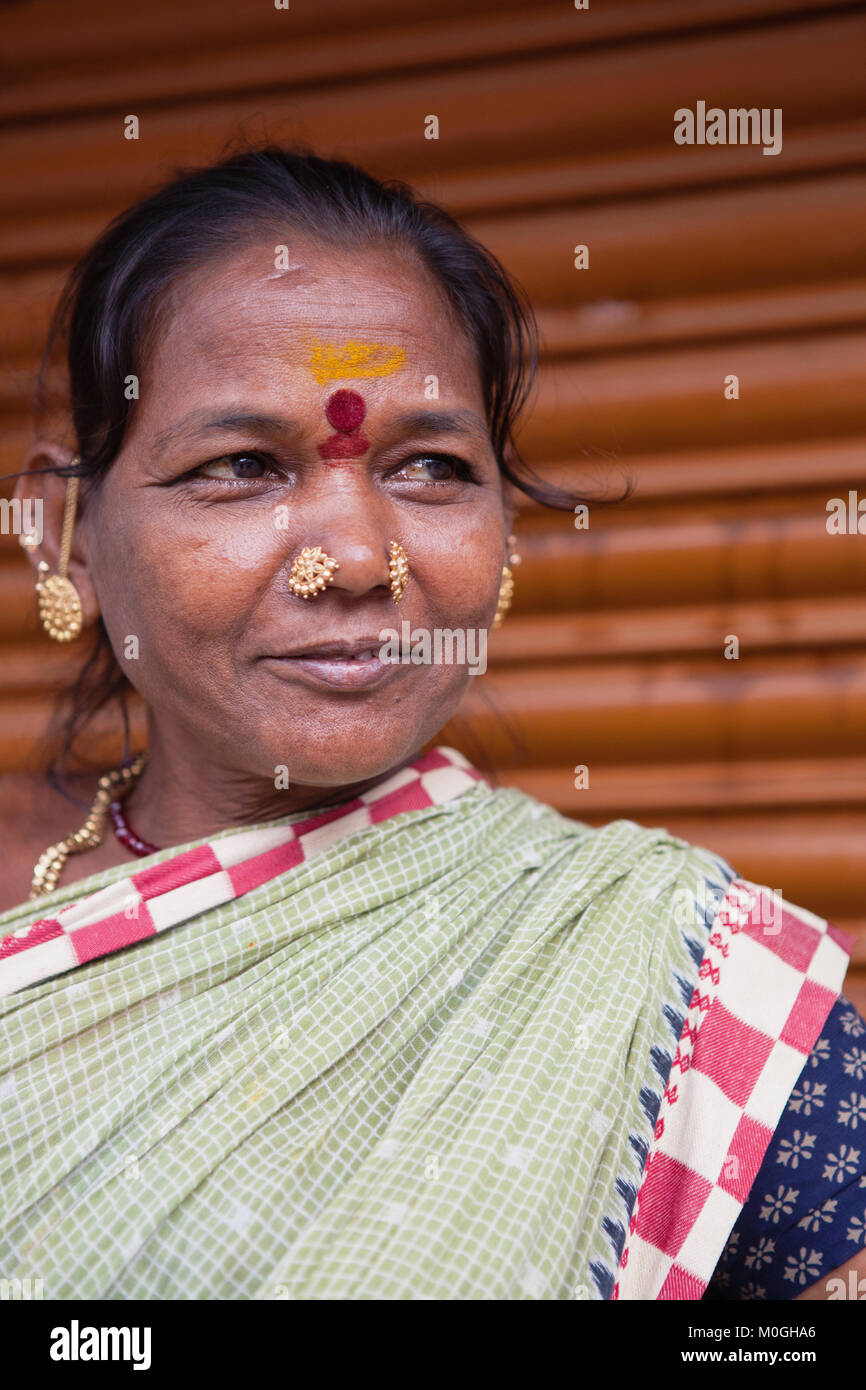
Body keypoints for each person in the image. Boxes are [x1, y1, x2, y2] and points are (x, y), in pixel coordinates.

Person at [0, 147, 863, 1301]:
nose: (357, 556)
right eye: (242, 464)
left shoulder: (689, 988)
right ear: (64, 532)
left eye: (430, 468)